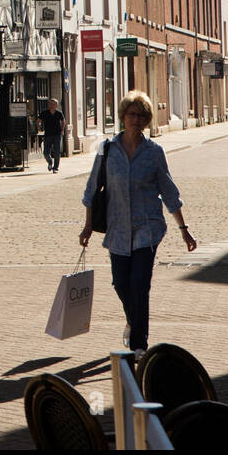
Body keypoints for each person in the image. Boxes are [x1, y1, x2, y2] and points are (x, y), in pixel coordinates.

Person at [80, 90, 196, 358]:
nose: (137, 120)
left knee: (140, 285)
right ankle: (133, 322)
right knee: (121, 284)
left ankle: (139, 345)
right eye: (132, 114)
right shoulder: (107, 150)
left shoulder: (154, 152)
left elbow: (169, 192)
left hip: (147, 228)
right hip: (118, 229)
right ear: (122, 117)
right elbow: (91, 190)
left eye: (142, 116)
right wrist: (87, 227)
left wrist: (184, 230)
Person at [37, 98, 66, 173]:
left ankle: (55, 168)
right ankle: (50, 162)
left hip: (57, 134)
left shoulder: (59, 113)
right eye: (50, 104)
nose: (51, 106)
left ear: (56, 105)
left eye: (53, 104)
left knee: (57, 151)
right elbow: (38, 120)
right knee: (46, 152)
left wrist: (62, 130)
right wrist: (39, 127)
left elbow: (63, 121)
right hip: (48, 134)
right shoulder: (44, 113)